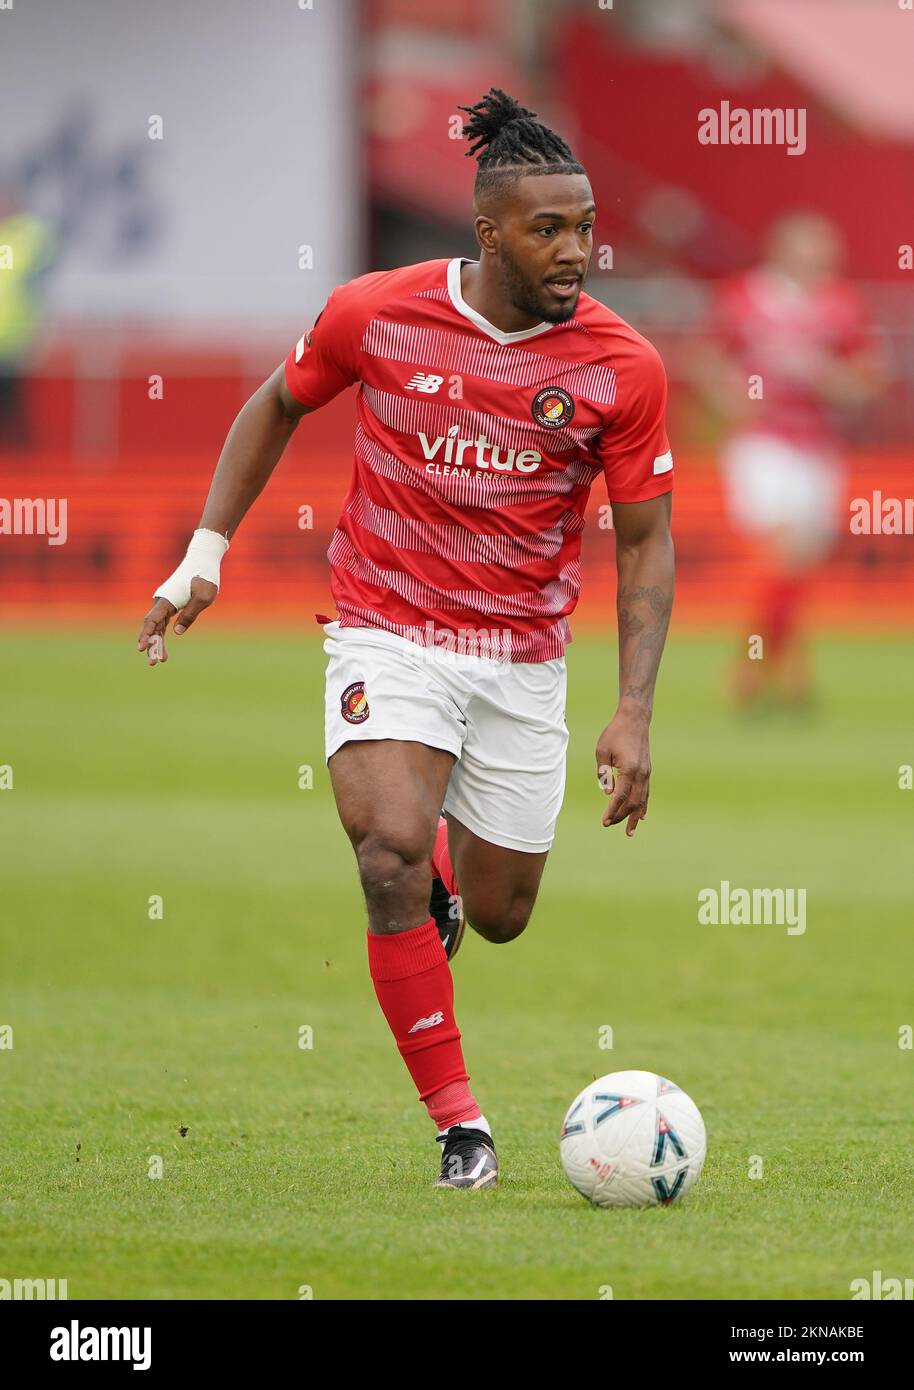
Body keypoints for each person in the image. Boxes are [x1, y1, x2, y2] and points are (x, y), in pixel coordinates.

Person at [137, 90, 675, 1190]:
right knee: (382, 847)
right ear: (486, 232)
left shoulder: (622, 367)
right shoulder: (374, 312)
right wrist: (205, 549)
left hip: (521, 657)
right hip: (387, 627)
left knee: (499, 913)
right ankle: (459, 1125)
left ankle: (445, 870)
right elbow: (275, 403)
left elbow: (645, 544)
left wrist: (632, 708)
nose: (575, 250)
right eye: (547, 229)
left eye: (583, 226)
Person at [695, 212, 885, 707]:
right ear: (782, 249)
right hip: (764, 442)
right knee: (777, 552)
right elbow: (708, 358)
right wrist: (731, 398)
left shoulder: (841, 304)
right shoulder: (744, 298)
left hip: (818, 444)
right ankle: (758, 671)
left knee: (797, 563)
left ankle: (772, 660)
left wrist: (837, 382)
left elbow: (868, 373)